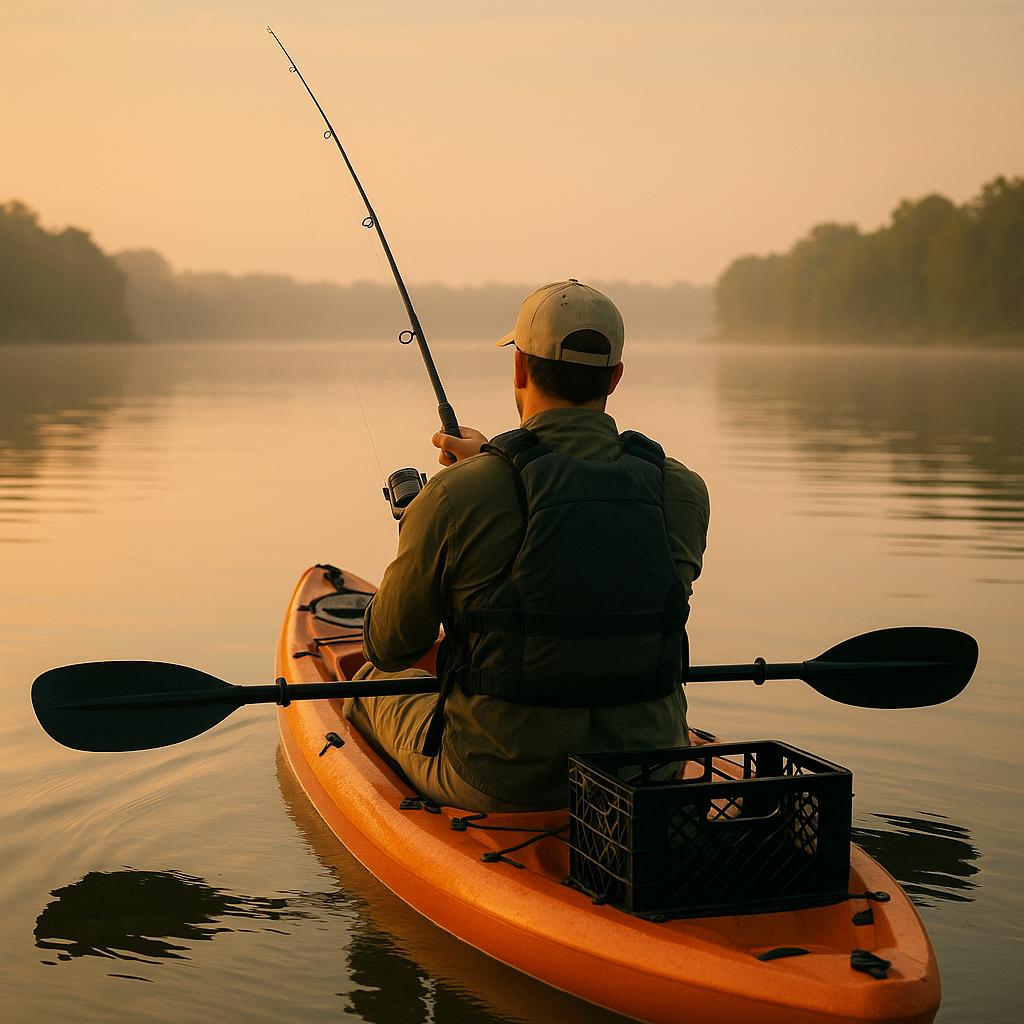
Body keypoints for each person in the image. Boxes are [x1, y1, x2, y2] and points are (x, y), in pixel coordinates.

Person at [346, 280, 709, 812]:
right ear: (615, 377)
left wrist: (422, 519)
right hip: (649, 768)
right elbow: (579, 533)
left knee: (369, 679)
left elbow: (392, 645)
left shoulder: (454, 496)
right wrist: (486, 463)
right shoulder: (681, 489)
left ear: (519, 368)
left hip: (499, 779)